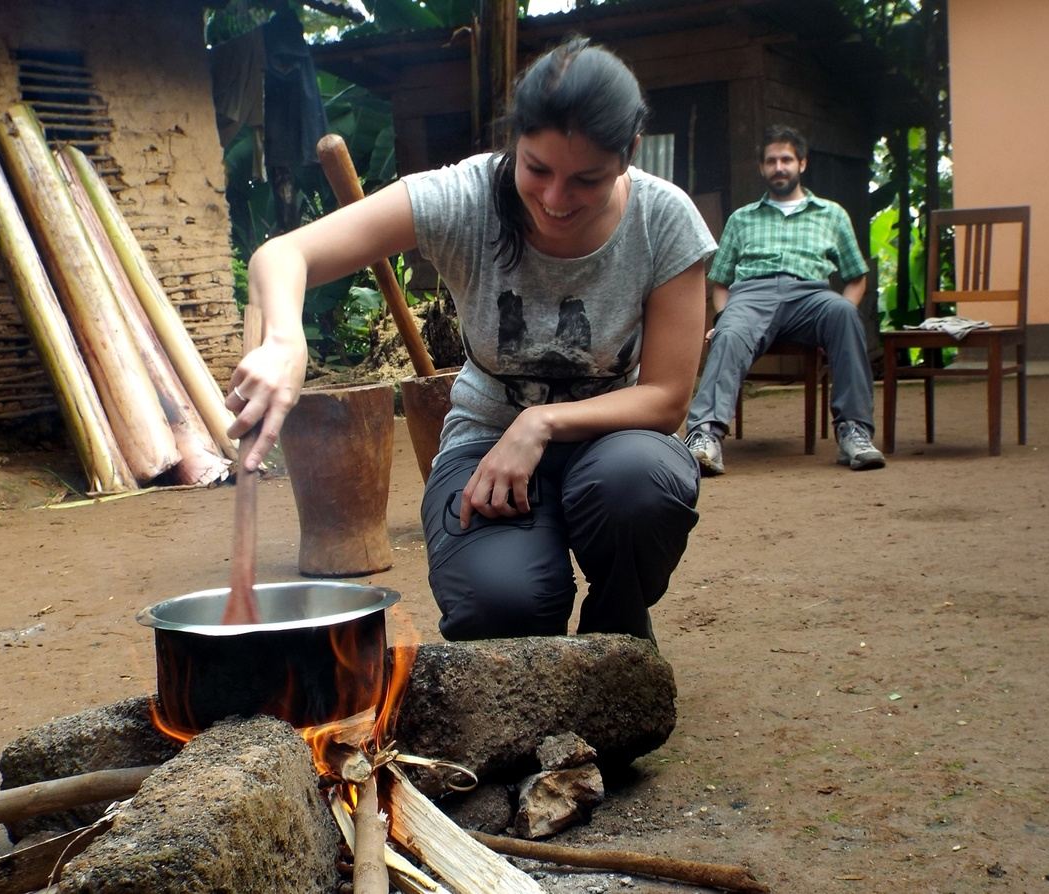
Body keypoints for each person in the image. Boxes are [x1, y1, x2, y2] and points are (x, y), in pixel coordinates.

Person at [226, 37, 717, 642]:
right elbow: (283, 254)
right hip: (484, 444)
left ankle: (616, 639)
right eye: (537, 169)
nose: (555, 201)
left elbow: (667, 399)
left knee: (637, 489)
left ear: (628, 154)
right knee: (501, 609)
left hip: (615, 445)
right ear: (515, 143)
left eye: (585, 180)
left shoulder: (663, 219)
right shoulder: (465, 197)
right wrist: (284, 343)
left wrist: (537, 424)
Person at [683, 125, 885, 474]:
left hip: (811, 296)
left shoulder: (831, 214)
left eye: (787, 160)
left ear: (802, 164)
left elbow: (856, 276)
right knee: (729, 333)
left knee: (843, 315)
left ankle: (854, 433)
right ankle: (705, 437)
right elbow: (721, 282)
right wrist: (724, 316)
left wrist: (842, 317)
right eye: (771, 161)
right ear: (762, 168)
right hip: (752, 296)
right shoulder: (742, 218)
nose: (779, 167)